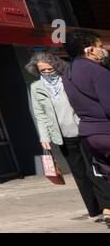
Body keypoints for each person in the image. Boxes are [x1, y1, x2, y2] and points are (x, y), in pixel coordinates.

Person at [26, 49, 110, 223]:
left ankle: (106, 206)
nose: (48, 73)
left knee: (94, 171)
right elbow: (40, 114)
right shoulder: (36, 88)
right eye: (43, 71)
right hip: (61, 136)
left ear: (56, 66)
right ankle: (94, 211)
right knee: (79, 174)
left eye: (51, 69)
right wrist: (44, 138)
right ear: (37, 70)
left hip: (82, 130)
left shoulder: (67, 81)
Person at [64, 30, 110, 226]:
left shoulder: (68, 73)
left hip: (89, 134)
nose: (103, 50)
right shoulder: (98, 72)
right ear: (89, 50)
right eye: (100, 46)